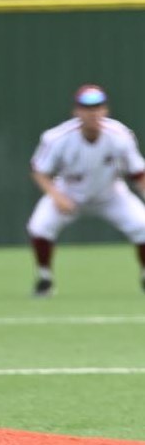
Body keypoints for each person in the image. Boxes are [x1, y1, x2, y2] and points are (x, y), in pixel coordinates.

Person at [26, 84, 145, 297]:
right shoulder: (56, 138)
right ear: (76, 111)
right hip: (69, 193)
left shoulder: (120, 135)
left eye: (98, 107)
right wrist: (57, 196)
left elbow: (137, 173)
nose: (93, 113)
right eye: (87, 108)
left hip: (110, 194)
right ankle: (45, 278)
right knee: (39, 226)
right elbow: (39, 171)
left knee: (143, 225)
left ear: (105, 110)